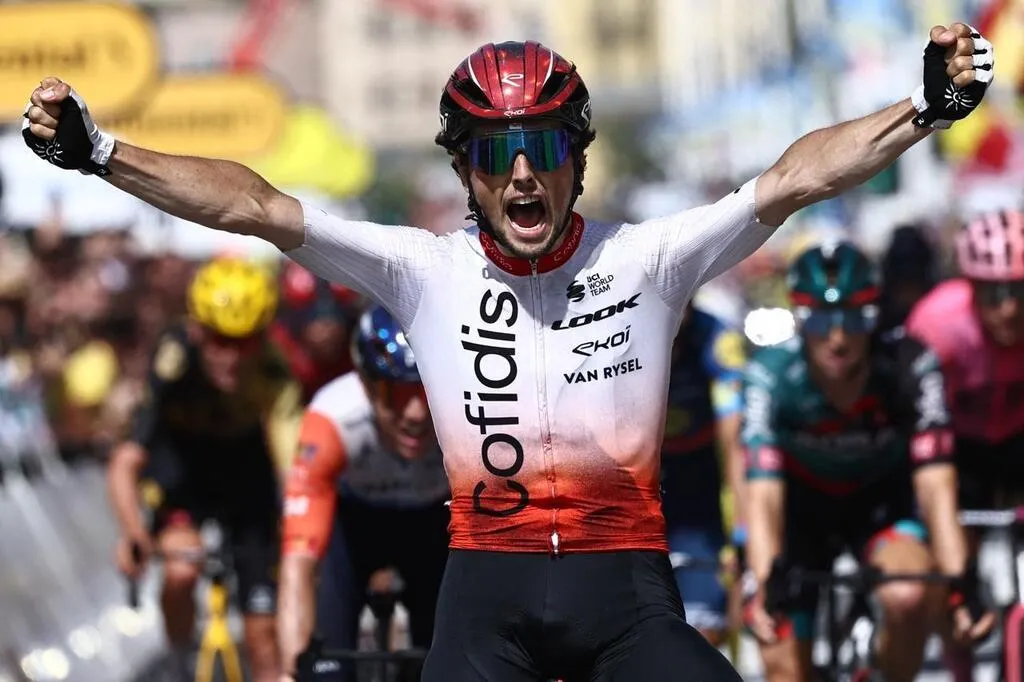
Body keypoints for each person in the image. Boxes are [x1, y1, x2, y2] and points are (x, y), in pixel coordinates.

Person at [24, 24, 993, 681]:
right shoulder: (421, 269)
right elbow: (250, 203)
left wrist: (924, 106)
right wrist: (102, 151)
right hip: (485, 595)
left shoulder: (648, 257)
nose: (521, 173)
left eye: (539, 147)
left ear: (576, 156)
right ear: (464, 173)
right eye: (494, 153)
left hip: (627, 595)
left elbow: (793, 179)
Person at [741, 242, 992, 682]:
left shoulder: (910, 363)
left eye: (854, 319)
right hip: (801, 518)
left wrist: (958, 580)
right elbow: (762, 492)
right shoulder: (770, 375)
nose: (837, 337)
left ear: (874, 316)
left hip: (880, 510)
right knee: (779, 655)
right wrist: (765, 578)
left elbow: (936, 485)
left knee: (911, 595)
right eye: (820, 320)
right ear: (799, 319)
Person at [107, 257, 304, 682]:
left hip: (245, 478)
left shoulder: (275, 369)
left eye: (245, 341)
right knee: (179, 571)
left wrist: (298, 536)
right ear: (197, 329)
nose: (230, 357)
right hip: (184, 475)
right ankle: (178, 665)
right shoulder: (174, 358)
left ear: (263, 336)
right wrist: (134, 534)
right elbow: (125, 463)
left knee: (264, 634)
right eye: (218, 340)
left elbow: (294, 470)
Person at [277, 304, 449, 681]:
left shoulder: (469, 412)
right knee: (323, 668)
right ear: (366, 387)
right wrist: (292, 669)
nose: (416, 412)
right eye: (396, 393)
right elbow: (299, 561)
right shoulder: (333, 416)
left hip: (435, 525)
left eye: (426, 388)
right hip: (353, 529)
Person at [904, 209, 1024, 676]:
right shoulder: (937, 323)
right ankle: (960, 660)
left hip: (1017, 445)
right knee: (955, 566)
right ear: (969, 287)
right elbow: (929, 447)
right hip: (959, 451)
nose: (1008, 307)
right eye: (992, 293)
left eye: (1018, 291)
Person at [661, 301, 746, 647]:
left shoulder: (718, 337)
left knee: (702, 634)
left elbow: (736, 442)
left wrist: (742, 537)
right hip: (636, 486)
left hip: (699, 489)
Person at [272, 260, 363, 402]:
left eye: (334, 317)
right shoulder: (278, 349)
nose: (325, 329)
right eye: (313, 318)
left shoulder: (361, 350)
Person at [878, 223, 939, 336]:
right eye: (903, 286)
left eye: (913, 285)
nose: (908, 295)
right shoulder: (880, 320)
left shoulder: (941, 315)